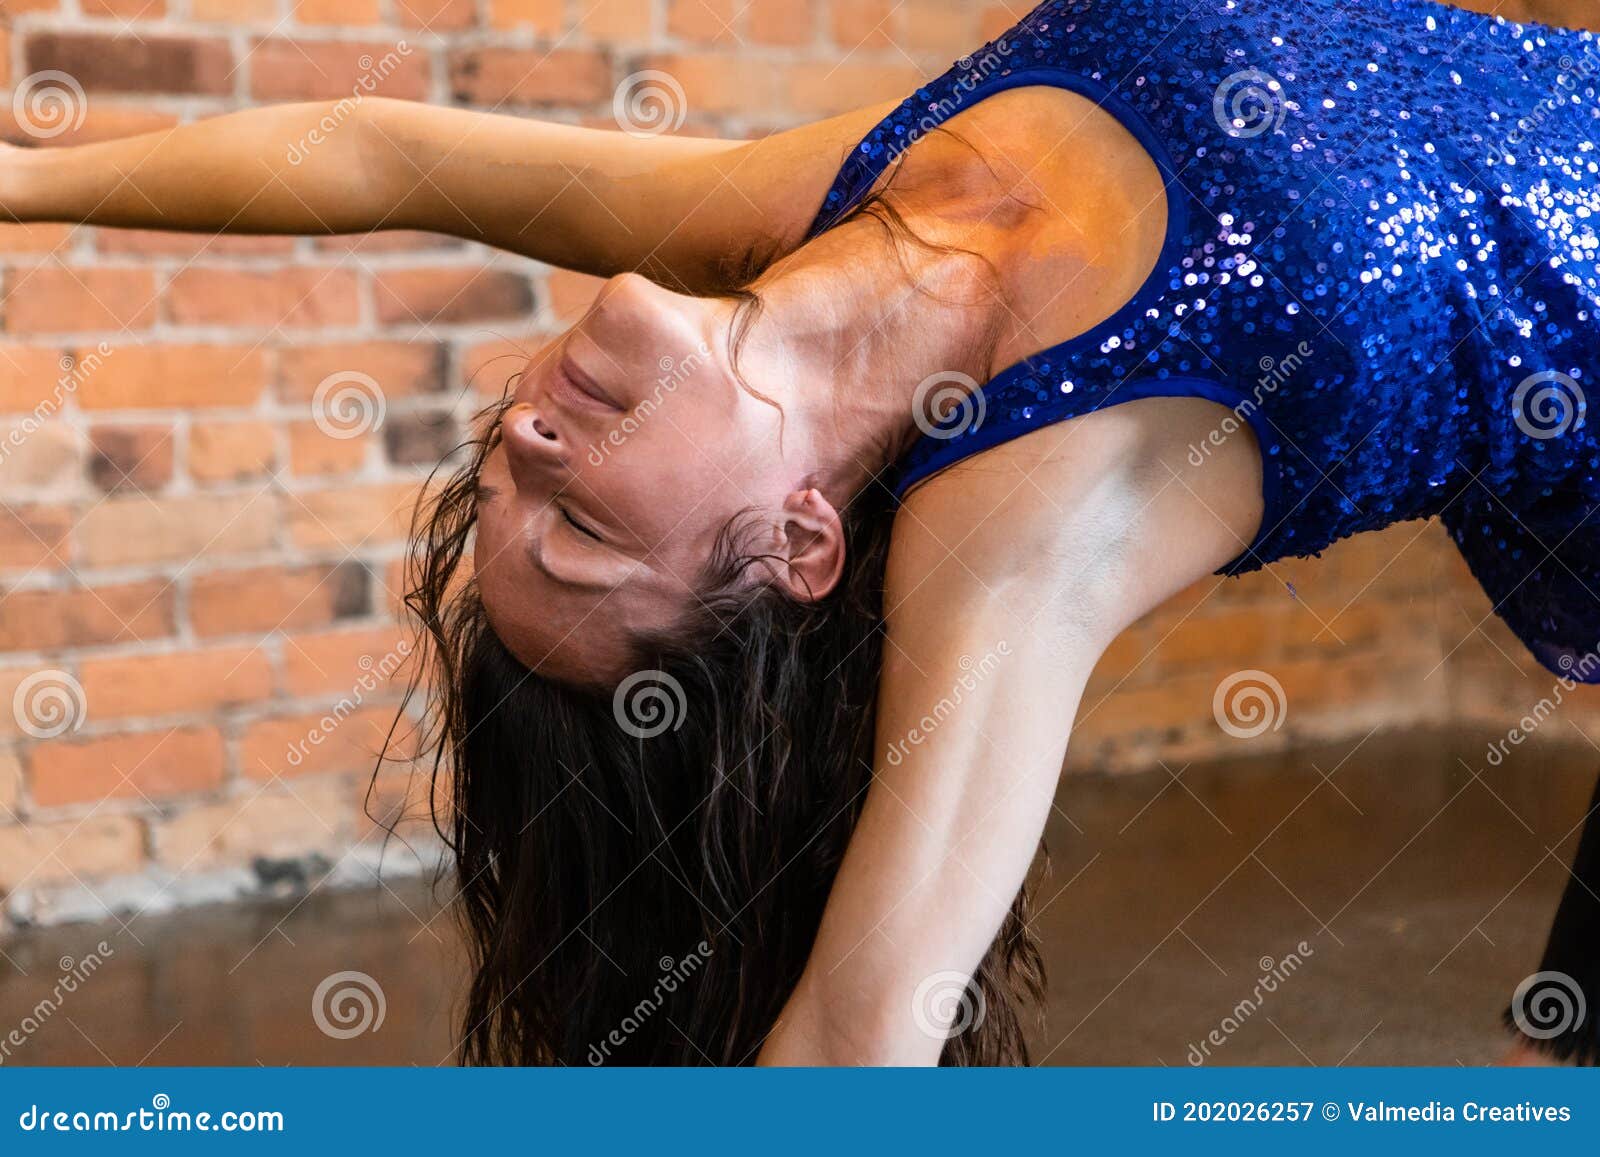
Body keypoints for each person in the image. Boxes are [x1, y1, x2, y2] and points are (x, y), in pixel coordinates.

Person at [7, 0, 1598, 1065]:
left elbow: (380, 153)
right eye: (578, 530)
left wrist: (18, 178)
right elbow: (852, 1037)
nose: (536, 441)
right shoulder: (1023, 521)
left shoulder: (808, 204)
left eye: (509, 472)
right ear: (795, 545)